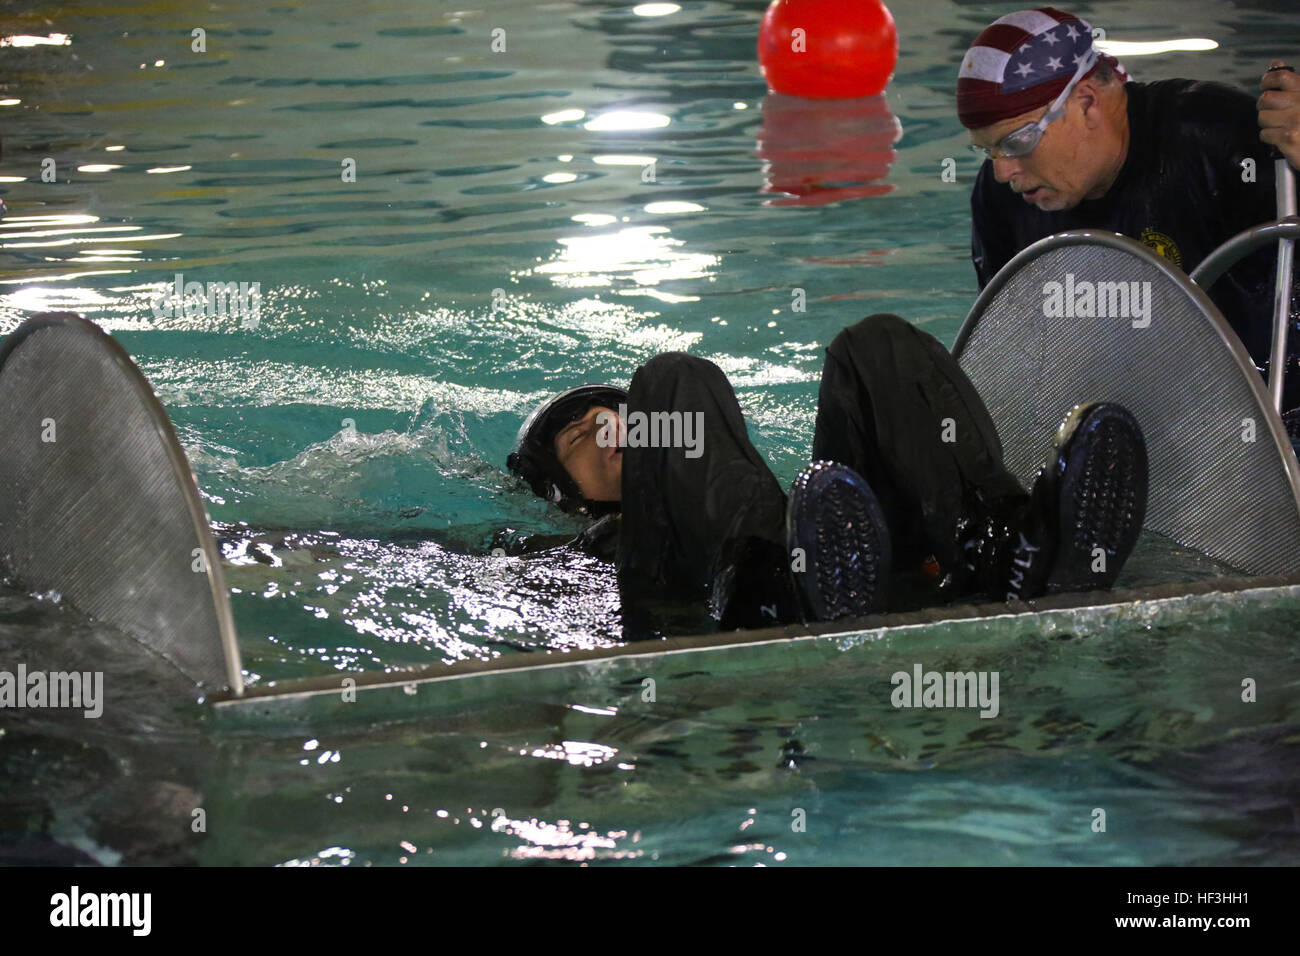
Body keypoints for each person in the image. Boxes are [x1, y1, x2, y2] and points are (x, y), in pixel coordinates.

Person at [505, 313, 1149, 639]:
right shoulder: (563, 553)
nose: (613, 430)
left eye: (619, 418)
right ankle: (771, 587)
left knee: (875, 346)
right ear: (557, 492)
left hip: (843, 581)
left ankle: (1002, 547)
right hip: (727, 616)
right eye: (579, 435)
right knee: (671, 377)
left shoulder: (805, 511)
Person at [957, 7, 1300, 412]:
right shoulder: (1003, 198)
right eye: (987, 149)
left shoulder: (1216, 140)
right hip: (1128, 420)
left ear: (1086, 102)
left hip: (1272, 419)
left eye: (1017, 141)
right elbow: (1010, 358)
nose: (1002, 171)